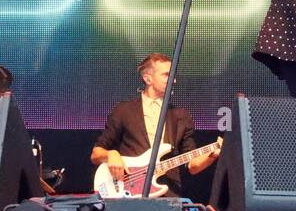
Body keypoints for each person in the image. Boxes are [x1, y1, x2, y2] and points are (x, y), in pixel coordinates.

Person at [90, 53, 219, 197]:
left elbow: (192, 166)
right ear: (148, 78)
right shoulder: (123, 111)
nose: (173, 80)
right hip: (128, 192)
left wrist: (213, 154)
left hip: (167, 194)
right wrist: (111, 154)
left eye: (173, 75)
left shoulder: (181, 116)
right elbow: (96, 154)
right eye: (166, 75)